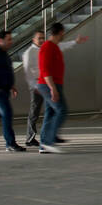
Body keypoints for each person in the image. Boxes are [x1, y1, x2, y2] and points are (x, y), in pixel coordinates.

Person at [37, 22, 68, 153]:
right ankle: (48, 141)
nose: (64, 34)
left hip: (53, 84)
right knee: (61, 110)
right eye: (63, 32)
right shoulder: (47, 47)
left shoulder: (54, 46)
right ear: (60, 32)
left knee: (50, 113)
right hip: (48, 85)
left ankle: (43, 144)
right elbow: (44, 70)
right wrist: (52, 88)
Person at [22, 29, 46, 145]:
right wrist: (34, 85)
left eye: (43, 38)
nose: (42, 40)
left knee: (51, 109)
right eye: (39, 38)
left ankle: (48, 135)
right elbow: (27, 72)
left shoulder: (43, 49)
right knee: (34, 111)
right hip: (36, 85)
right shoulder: (29, 52)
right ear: (33, 40)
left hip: (45, 82)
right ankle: (30, 138)